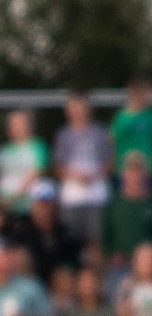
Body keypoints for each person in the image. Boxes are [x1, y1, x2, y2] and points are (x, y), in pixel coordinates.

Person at [56, 92, 114, 249]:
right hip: (72, 198)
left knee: (97, 242)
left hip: (97, 196)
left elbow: (109, 163)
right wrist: (75, 175)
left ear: (89, 108)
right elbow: (57, 167)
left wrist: (94, 175)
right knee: (71, 243)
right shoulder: (63, 135)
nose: (77, 111)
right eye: (73, 107)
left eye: (81, 106)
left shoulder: (100, 133)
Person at [6, 181, 82, 284]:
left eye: (47, 204)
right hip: (27, 281)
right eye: (40, 204)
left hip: (56, 285)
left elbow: (73, 260)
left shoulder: (63, 232)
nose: (44, 209)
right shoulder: (20, 228)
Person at [103, 154, 152, 279]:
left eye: (138, 170)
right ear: (124, 173)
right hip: (120, 264)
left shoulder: (149, 202)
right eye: (131, 170)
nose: (134, 175)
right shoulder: (114, 203)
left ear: (145, 173)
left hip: (147, 264)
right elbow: (104, 233)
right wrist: (111, 254)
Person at [0, 112, 51, 213]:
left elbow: (36, 171)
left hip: (29, 206)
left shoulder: (38, 146)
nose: (15, 127)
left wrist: (13, 198)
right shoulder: (3, 150)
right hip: (5, 206)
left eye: (19, 123)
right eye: (12, 123)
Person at [115, 82, 152, 176]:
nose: (141, 97)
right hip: (125, 168)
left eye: (144, 93)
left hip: (148, 168)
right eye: (138, 93)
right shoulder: (121, 118)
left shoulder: (149, 115)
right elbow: (112, 141)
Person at [116, 245, 152, 316]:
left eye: (150, 258)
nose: (147, 262)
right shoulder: (127, 285)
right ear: (135, 261)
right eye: (143, 258)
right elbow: (121, 310)